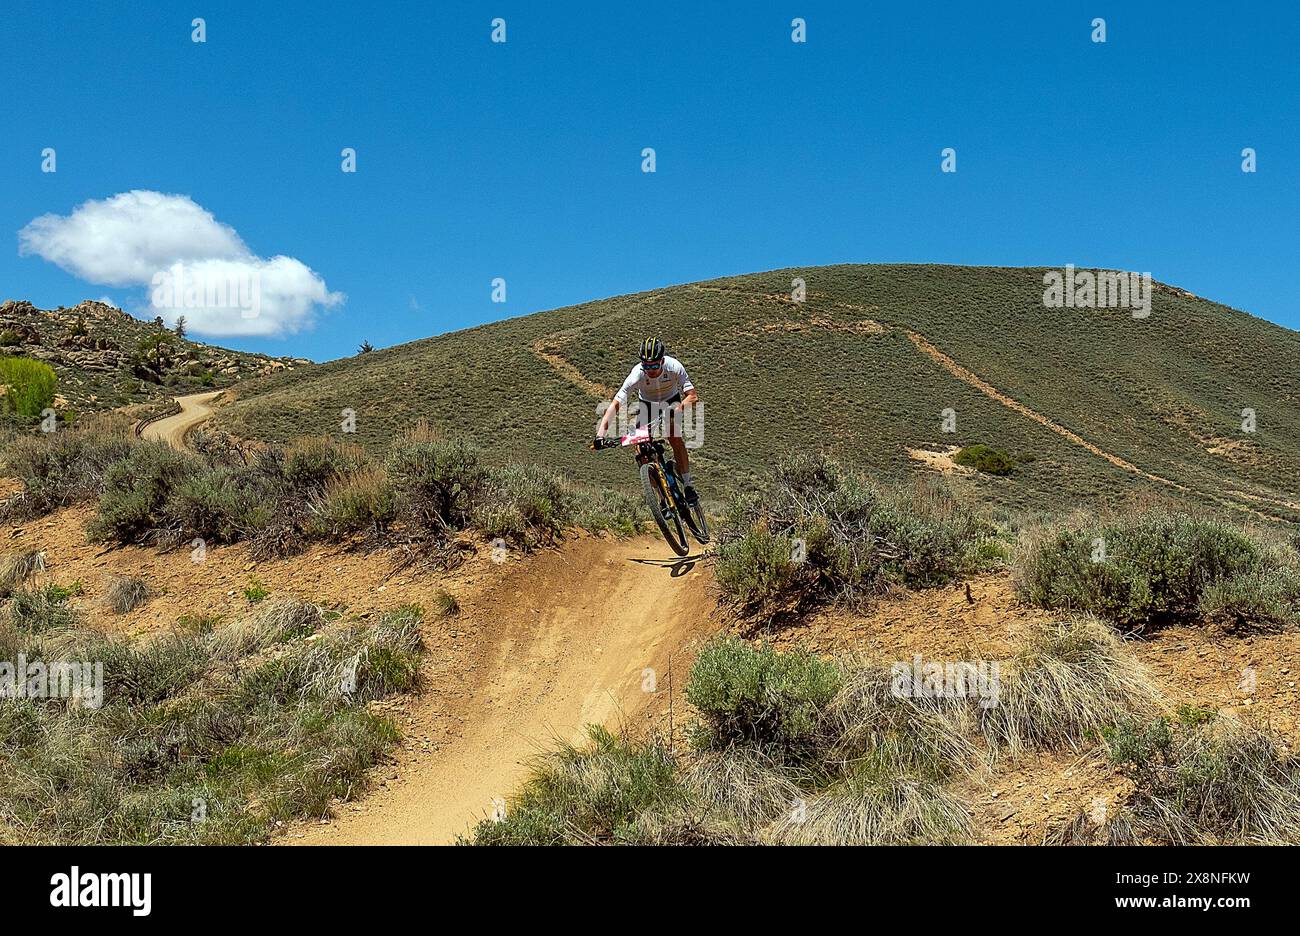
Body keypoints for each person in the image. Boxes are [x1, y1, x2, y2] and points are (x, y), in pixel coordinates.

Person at [595, 336, 700, 504]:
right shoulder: (636, 374)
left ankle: (688, 485)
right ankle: (661, 498)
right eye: (646, 365)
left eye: (654, 365)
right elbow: (615, 404)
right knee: (640, 449)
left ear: (662, 361)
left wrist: (677, 410)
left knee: (673, 435)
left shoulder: (674, 367)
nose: (650, 369)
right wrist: (600, 435)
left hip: (671, 401)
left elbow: (693, 397)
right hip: (648, 406)